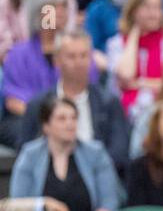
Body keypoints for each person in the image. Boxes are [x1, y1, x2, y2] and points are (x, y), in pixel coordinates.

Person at [18, 30, 128, 177]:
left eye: (84, 56)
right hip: (49, 180)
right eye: (71, 56)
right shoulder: (37, 105)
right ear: (56, 60)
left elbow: (119, 151)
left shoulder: (109, 102)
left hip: (99, 180)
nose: (79, 62)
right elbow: (25, 150)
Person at [9, 98, 119, 211]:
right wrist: (44, 204)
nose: (70, 124)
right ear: (46, 126)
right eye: (62, 119)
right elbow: (17, 204)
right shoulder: (30, 155)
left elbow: (109, 203)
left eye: (74, 118)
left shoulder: (96, 153)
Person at [0, 0, 78, 149]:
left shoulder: (77, 52)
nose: (60, 12)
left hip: (71, 116)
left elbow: (84, 91)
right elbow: (14, 102)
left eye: (64, 6)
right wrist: (50, 119)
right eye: (53, 7)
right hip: (27, 119)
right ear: (39, 13)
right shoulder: (18, 53)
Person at [106, 0, 163, 121]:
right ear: (133, 11)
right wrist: (134, 34)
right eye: (147, 8)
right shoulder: (116, 44)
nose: (154, 14)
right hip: (125, 116)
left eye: (158, 8)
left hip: (162, 115)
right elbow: (126, 74)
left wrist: (139, 83)